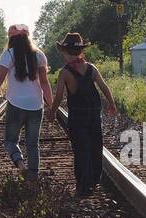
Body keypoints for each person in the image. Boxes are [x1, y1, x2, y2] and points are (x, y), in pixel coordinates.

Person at [49, 32, 116, 198]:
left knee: (81, 150)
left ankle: (82, 186)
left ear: (65, 51)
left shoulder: (64, 73)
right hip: (94, 114)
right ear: (80, 51)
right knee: (95, 147)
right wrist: (112, 103)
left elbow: (58, 97)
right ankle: (93, 181)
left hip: (77, 117)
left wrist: (52, 112)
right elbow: (104, 86)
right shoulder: (92, 68)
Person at [0, 23, 52, 179]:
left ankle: (21, 164)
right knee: (33, 144)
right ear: (27, 37)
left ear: (11, 39)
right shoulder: (39, 55)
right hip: (36, 106)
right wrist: (51, 105)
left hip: (15, 105)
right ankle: (33, 178)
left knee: (10, 141)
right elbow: (44, 83)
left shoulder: (8, 55)